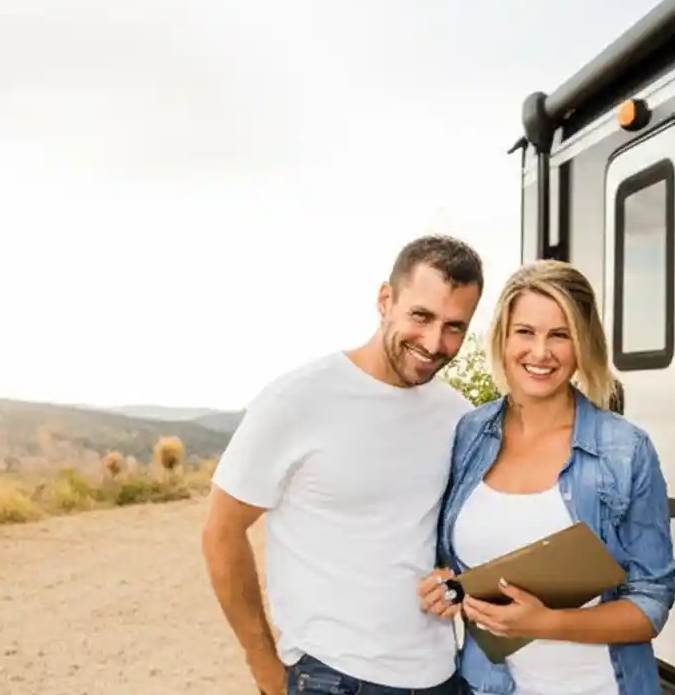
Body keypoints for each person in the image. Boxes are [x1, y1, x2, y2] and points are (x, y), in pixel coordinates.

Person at [201, 234, 485, 695]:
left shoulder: (458, 415)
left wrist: (455, 579)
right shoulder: (297, 399)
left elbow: (448, 537)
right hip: (332, 676)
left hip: (440, 676)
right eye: (421, 316)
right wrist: (265, 669)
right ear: (385, 300)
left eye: (454, 326)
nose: (434, 342)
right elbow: (221, 531)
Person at [417, 259, 675, 695]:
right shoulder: (468, 434)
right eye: (525, 332)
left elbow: (651, 603)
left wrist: (546, 622)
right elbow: (458, 571)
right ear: (503, 337)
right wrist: (448, 591)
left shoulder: (625, 450)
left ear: (583, 343)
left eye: (560, 334)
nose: (540, 353)